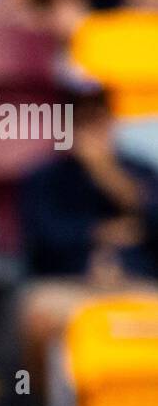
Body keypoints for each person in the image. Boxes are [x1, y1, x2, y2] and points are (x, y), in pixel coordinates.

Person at [18, 87, 158, 387]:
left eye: (97, 120)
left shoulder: (140, 171)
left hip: (137, 286)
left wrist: (109, 175)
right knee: (37, 317)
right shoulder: (44, 177)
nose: (90, 131)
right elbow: (43, 238)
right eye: (80, 122)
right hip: (72, 287)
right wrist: (101, 233)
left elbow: (152, 224)